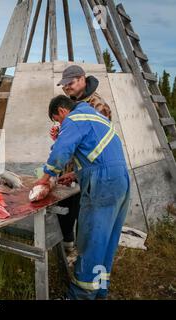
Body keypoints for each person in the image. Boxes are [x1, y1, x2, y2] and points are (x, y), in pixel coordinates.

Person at [36, 95, 130, 300]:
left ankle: (80, 295)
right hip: (120, 179)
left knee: (91, 240)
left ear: (61, 111)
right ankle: (99, 290)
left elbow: (61, 152)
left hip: (103, 183)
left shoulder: (73, 118)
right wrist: (76, 174)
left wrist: (45, 178)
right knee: (107, 240)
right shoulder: (95, 116)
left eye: (57, 120)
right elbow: (100, 155)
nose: (59, 124)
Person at [52, 65, 113, 254]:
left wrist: (76, 172)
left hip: (89, 170)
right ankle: (67, 245)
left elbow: (98, 143)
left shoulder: (98, 106)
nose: (67, 88)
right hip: (71, 168)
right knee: (64, 205)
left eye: (70, 83)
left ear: (82, 79)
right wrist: (59, 136)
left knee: (85, 211)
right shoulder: (72, 104)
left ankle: (84, 254)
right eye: (64, 85)